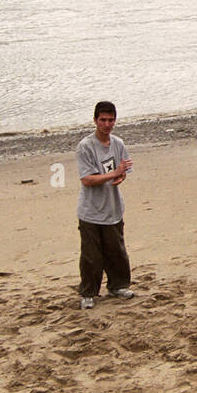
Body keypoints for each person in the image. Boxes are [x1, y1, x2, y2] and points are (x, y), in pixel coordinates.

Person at [76, 100, 134, 309]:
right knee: (91, 255)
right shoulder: (86, 147)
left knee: (116, 251)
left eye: (111, 120)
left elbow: (122, 171)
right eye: (103, 120)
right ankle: (89, 293)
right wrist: (114, 174)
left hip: (113, 208)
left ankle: (118, 286)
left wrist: (119, 177)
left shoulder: (118, 144)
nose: (107, 124)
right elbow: (87, 179)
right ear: (95, 120)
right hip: (91, 211)